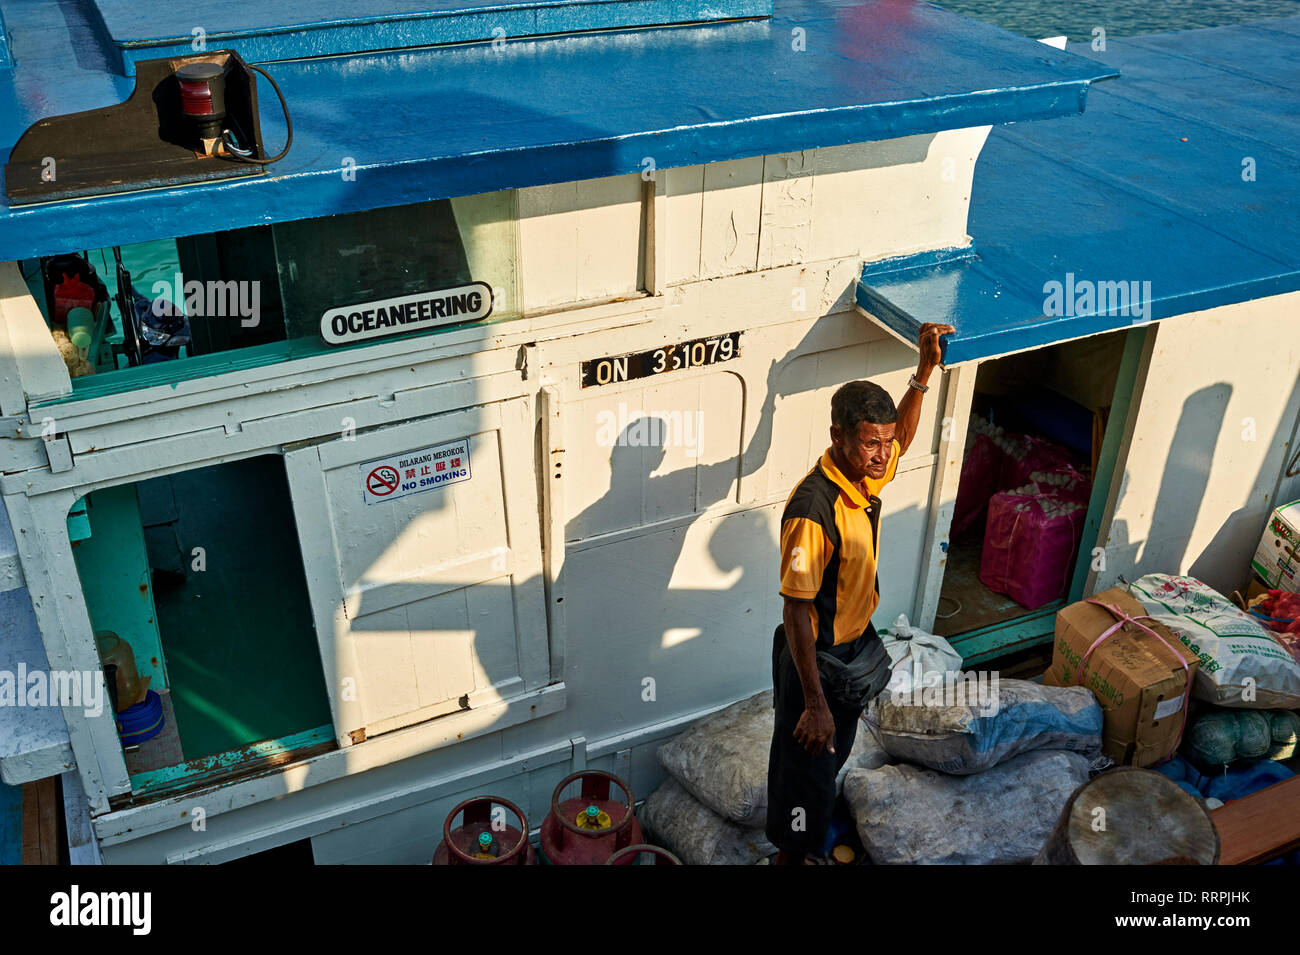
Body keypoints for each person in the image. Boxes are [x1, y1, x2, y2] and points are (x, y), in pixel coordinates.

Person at [765, 322, 953, 864]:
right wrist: (816, 703)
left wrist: (922, 372)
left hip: (850, 648)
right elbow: (795, 611)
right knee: (808, 768)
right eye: (870, 442)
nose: (882, 454)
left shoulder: (864, 476)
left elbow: (906, 438)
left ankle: (804, 844)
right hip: (815, 662)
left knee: (829, 759)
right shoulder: (812, 511)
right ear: (837, 437)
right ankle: (792, 857)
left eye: (884, 442)